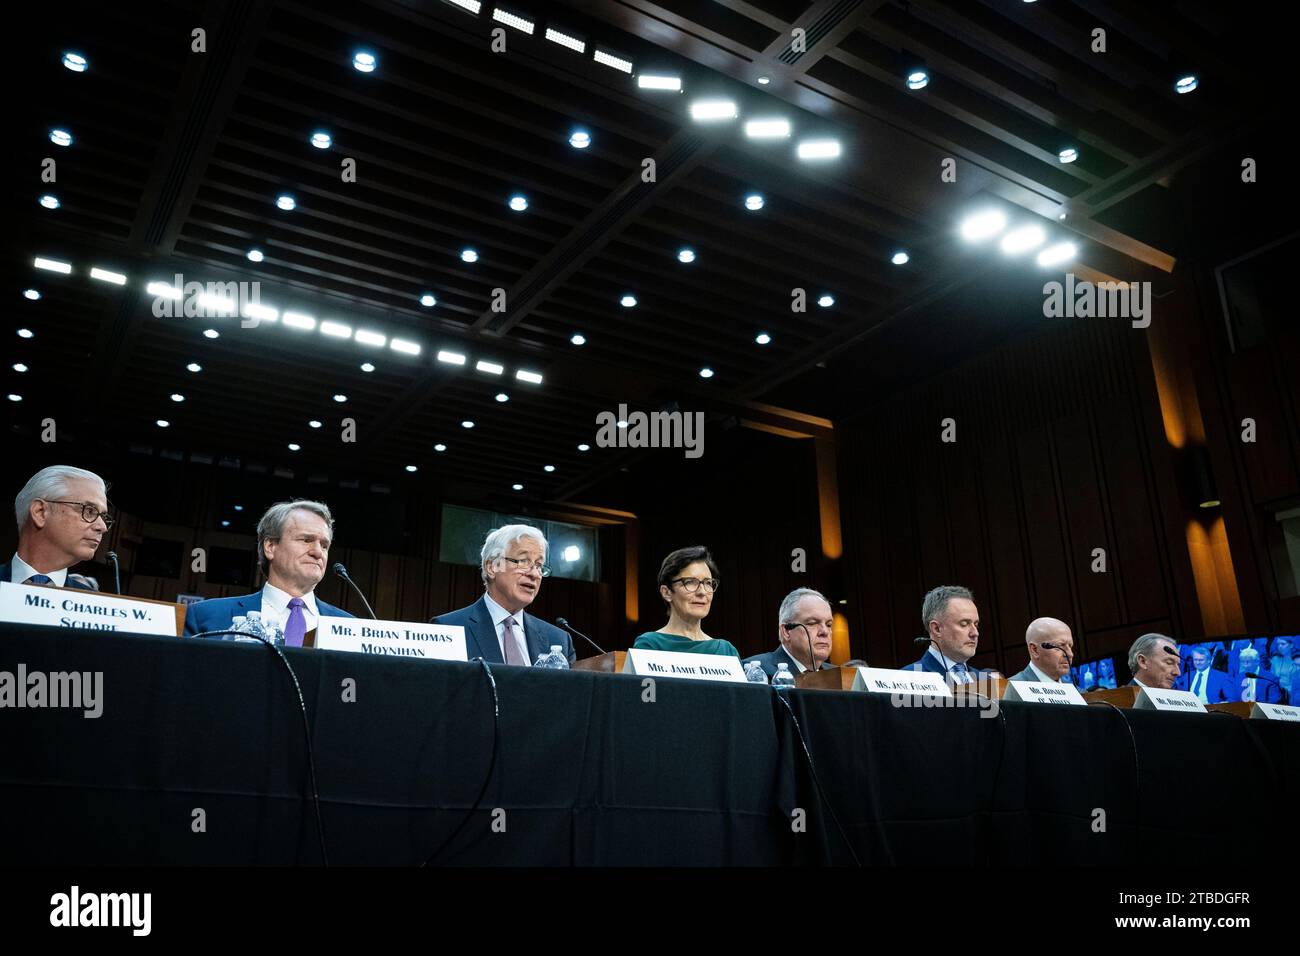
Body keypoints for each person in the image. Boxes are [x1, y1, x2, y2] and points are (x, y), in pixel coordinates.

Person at [184, 500, 352, 642]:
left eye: (324, 545)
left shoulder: (350, 627)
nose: (317, 552)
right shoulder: (204, 617)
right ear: (270, 547)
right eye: (306, 540)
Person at [432, 524, 573, 665]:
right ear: (492, 567)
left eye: (539, 565)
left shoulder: (558, 640)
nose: (534, 574)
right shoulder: (448, 629)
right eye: (523, 561)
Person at [3, 465, 108, 590]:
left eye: (103, 516)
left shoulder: (94, 604)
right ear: (40, 512)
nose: (103, 527)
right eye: (89, 511)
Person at [632, 546, 740, 658]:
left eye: (708, 583)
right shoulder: (650, 645)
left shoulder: (726, 651)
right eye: (690, 582)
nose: (702, 592)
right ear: (667, 592)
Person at [744, 587, 837, 678]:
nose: (824, 632)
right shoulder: (755, 671)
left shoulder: (838, 675)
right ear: (786, 631)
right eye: (812, 623)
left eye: (828, 625)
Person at [905, 585, 985, 684]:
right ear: (936, 629)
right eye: (964, 624)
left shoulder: (986, 681)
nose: (975, 633)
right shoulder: (907, 679)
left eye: (976, 625)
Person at [1008, 617, 1074, 683]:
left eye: (1070, 646)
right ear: (1035, 650)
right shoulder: (1009, 687)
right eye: (1060, 646)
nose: (1070, 654)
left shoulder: (1076, 690)